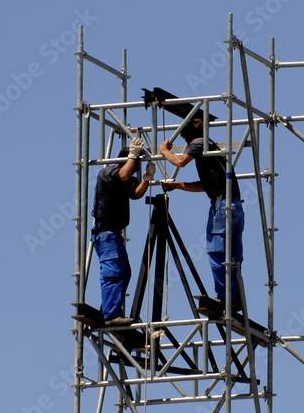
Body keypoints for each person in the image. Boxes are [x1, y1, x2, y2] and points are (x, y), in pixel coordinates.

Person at [159, 118, 244, 311]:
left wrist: (164, 150)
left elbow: (180, 162)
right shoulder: (210, 148)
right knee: (233, 255)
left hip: (222, 205)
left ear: (189, 136)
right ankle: (235, 297)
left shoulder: (198, 143)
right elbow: (205, 186)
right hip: (234, 204)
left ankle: (225, 298)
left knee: (217, 250)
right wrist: (177, 186)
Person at [92, 136, 155, 324]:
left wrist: (146, 179)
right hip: (105, 233)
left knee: (123, 272)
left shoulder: (123, 179)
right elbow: (124, 175)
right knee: (114, 271)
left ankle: (109, 310)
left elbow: (135, 193)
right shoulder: (108, 172)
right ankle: (111, 314)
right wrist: (133, 155)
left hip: (114, 235)